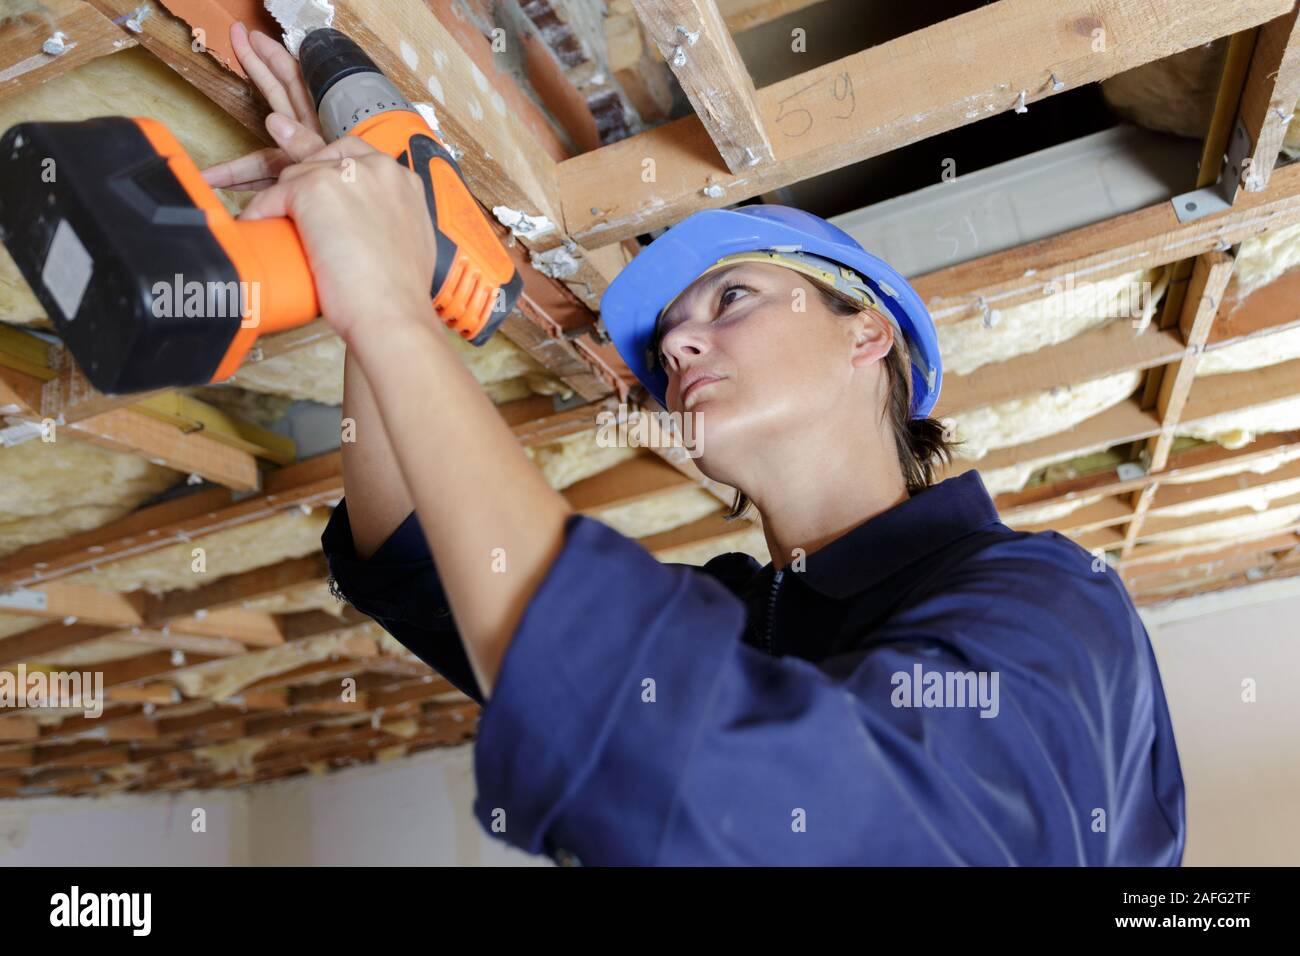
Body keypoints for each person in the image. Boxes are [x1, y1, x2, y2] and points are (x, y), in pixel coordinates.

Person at [204, 24, 1186, 866]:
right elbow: (413, 548)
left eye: (732, 299)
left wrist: (387, 304)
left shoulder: (1050, 604)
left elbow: (808, 813)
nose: (676, 344)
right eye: (671, 332)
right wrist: (371, 280)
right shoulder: (739, 614)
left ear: (867, 332)